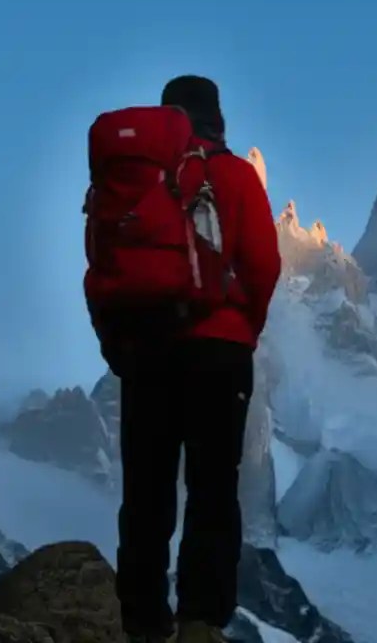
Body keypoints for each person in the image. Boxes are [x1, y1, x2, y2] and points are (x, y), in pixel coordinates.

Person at [84, 75, 281, 643]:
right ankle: (200, 622)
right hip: (219, 354)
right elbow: (264, 265)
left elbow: (102, 266)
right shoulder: (236, 176)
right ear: (217, 119)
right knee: (213, 486)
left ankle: (142, 621)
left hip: (146, 351)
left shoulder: (133, 181)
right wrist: (242, 329)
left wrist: (116, 346)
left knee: (145, 489)